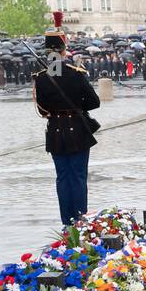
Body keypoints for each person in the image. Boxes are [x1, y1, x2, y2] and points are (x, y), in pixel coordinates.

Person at [33, 15, 101, 226]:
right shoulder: (76, 74)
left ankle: (66, 221)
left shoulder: (42, 77)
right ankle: (81, 220)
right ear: (64, 51)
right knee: (79, 177)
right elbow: (94, 102)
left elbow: (41, 108)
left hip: (55, 132)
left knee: (62, 177)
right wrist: (78, 107)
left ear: (48, 52)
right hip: (78, 131)